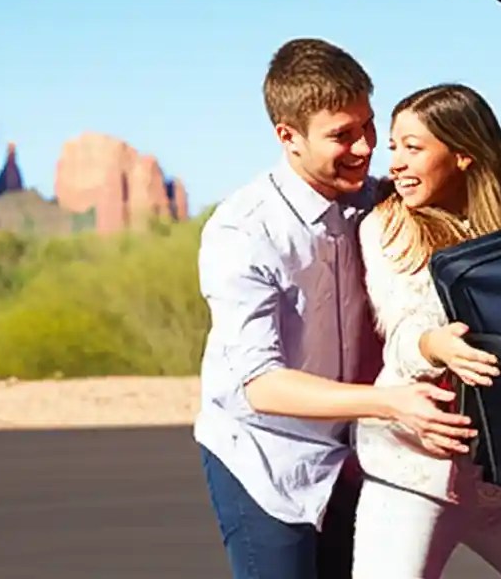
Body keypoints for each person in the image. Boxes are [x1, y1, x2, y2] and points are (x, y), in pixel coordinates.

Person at [194, 40, 480, 579]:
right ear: (288, 137)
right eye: (341, 135)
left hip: (353, 452)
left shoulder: (377, 203)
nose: (366, 147)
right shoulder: (243, 231)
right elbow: (260, 384)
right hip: (264, 460)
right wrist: (389, 404)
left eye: (368, 126)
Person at [351, 82, 501, 578]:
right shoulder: (390, 224)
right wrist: (431, 345)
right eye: (394, 146)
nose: (394, 162)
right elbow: (400, 323)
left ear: (462, 154)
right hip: (413, 467)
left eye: (412, 148)